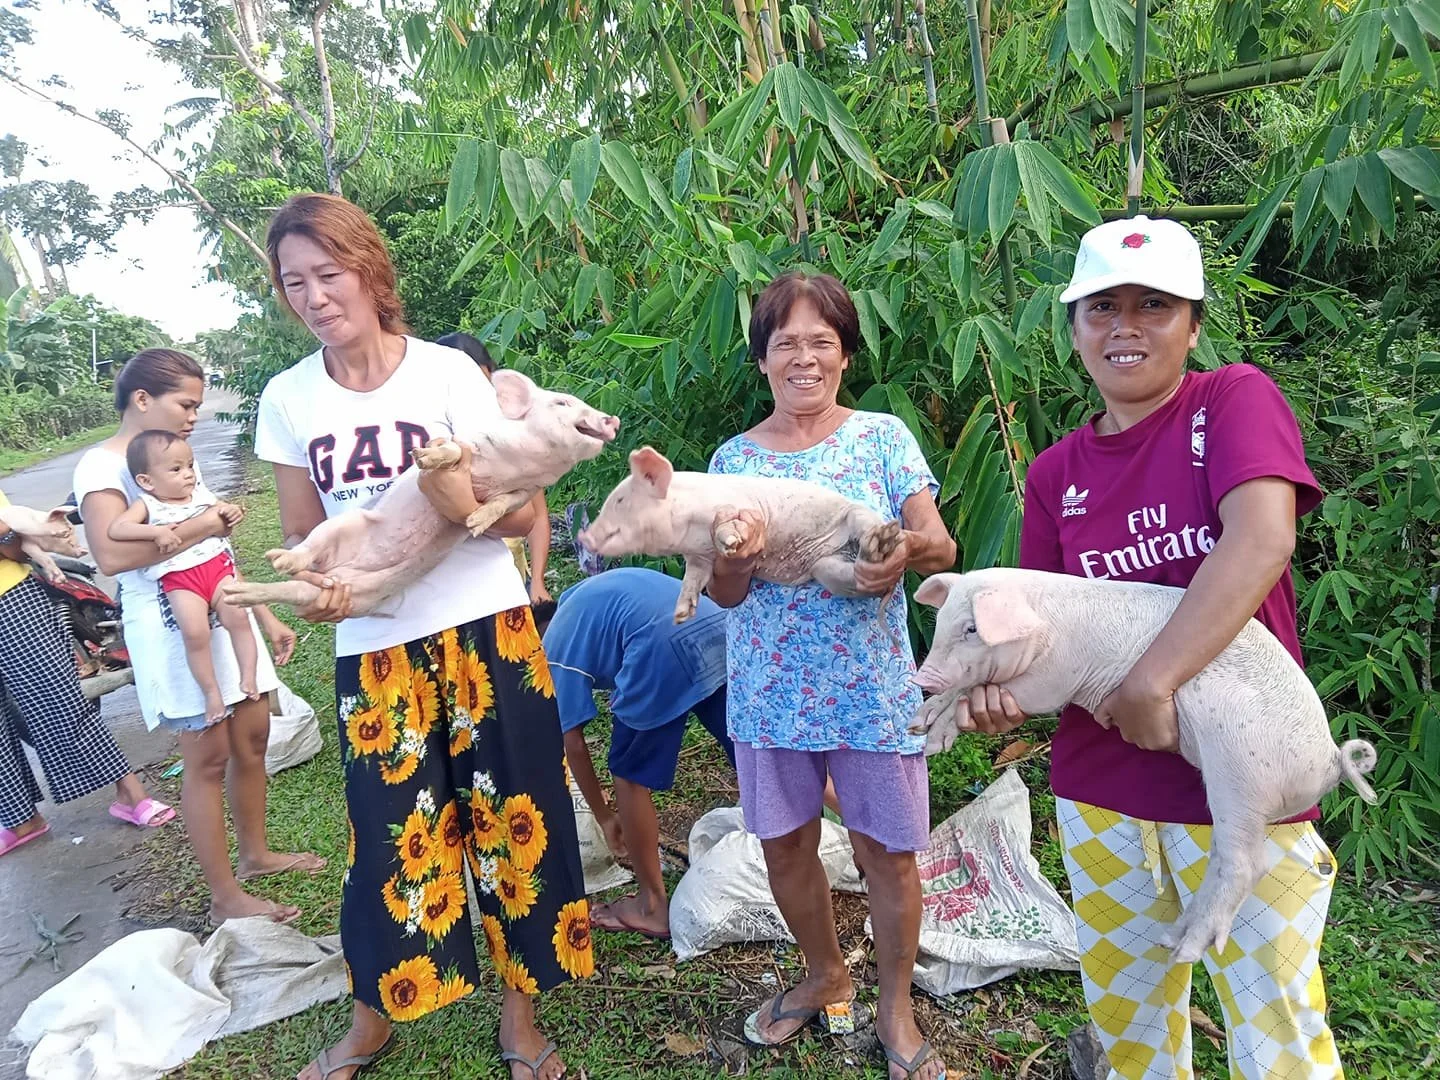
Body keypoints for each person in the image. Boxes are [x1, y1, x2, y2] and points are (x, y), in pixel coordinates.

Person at [958, 216, 1344, 1078]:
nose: (1124, 327)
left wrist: (1152, 682)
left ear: (1194, 324)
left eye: (1153, 306)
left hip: (1247, 787)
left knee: (1275, 1024)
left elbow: (1260, 542)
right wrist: (993, 696)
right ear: (1074, 329)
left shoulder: (1233, 401)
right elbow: (1036, 628)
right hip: (1105, 795)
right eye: (1102, 308)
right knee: (1130, 1030)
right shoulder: (1057, 472)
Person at [257, 192, 591, 1080]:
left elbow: (522, 514)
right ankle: (377, 1015)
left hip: (487, 628)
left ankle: (519, 1018)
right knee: (392, 832)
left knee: (516, 819)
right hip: (375, 646)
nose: (316, 296)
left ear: (369, 271)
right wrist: (316, 587)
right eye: (296, 282)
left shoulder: (447, 374)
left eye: (329, 274)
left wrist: (458, 504)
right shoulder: (288, 398)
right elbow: (300, 534)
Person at [706, 271, 956, 1080]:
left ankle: (894, 1004)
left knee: (889, 853)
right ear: (761, 361)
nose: (804, 359)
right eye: (786, 344)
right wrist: (735, 558)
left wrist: (898, 553)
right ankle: (824, 973)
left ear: (846, 354)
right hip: (770, 691)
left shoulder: (882, 439)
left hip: (869, 691)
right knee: (785, 849)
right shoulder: (733, 460)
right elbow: (724, 591)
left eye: (822, 342)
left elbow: (941, 545)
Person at [75, 348, 321, 926]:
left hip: (225, 608)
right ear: (142, 400)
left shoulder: (177, 459)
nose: (193, 416)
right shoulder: (103, 467)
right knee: (207, 757)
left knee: (254, 735)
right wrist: (200, 526)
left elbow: (216, 544)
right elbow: (110, 554)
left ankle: (256, 854)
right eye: (185, 404)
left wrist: (265, 611)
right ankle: (224, 894)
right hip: (171, 626)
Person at [540, 566, 734, 940]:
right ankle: (864, 845)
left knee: (627, 773)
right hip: (713, 622)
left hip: (661, 642)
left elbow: (572, 742)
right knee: (756, 752)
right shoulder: (580, 596)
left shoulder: (551, 646)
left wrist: (605, 816)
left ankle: (650, 906)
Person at [0, 489, 175, 855]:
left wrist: (4, 534)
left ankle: (131, 794)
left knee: (57, 698)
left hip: (10, 598)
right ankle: (19, 819)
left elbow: (14, 541)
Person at [108, 430, 259, 722]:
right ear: (146, 481)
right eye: (176, 469)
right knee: (195, 633)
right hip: (179, 578)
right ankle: (211, 692)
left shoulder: (200, 493)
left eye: (190, 465)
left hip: (216, 567)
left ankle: (249, 676)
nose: (188, 474)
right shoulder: (147, 504)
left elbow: (220, 508)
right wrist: (155, 531)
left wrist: (230, 510)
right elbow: (118, 529)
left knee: (238, 617)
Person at [435, 331, 554, 606]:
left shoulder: (511, 437)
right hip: (447, 591)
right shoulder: (433, 440)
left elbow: (536, 516)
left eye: (484, 385)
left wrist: (537, 580)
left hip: (506, 584)